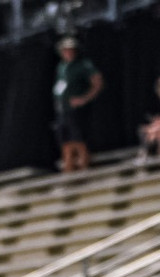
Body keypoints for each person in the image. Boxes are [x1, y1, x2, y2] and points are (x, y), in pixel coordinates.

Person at [53, 38, 104, 175]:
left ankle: (84, 168)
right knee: (65, 141)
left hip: (76, 110)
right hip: (62, 110)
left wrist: (84, 99)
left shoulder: (83, 65)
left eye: (70, 49)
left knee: (78, 139)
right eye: (65, 50)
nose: (68, 52)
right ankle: (68, 169)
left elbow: (98, 81)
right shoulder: (61, 66)